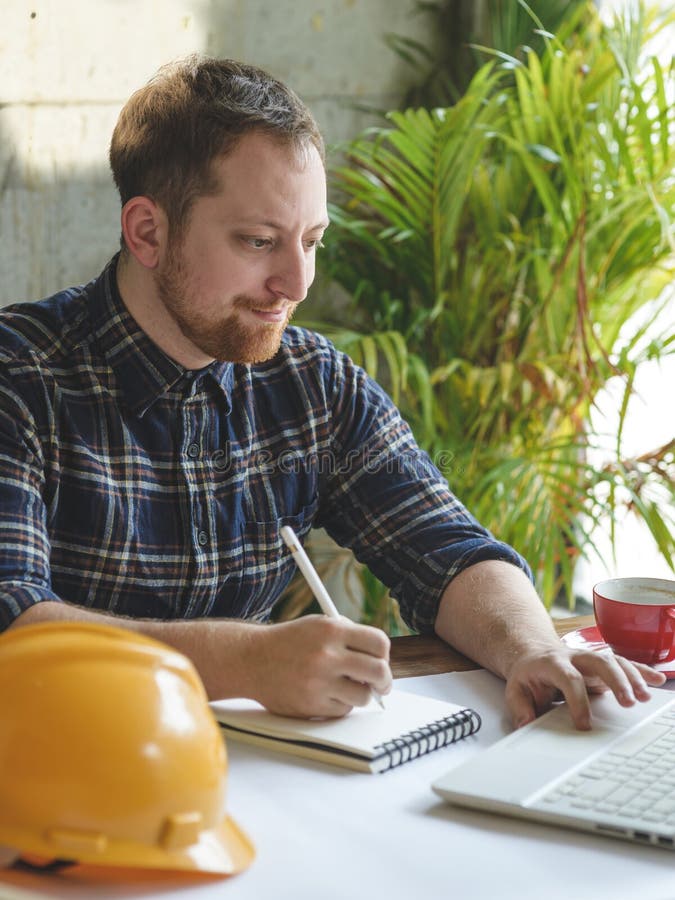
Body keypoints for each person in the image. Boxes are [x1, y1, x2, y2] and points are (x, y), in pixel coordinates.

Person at [0, 55, 664, 728]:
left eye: (311, 241)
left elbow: (447, 548)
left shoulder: (311, 381)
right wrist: (245, 662)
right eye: (259, 241)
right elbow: (11, 623)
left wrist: (532, 648)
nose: (296, 284)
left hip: (254, 771)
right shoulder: (19, 377)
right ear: (147, 232)